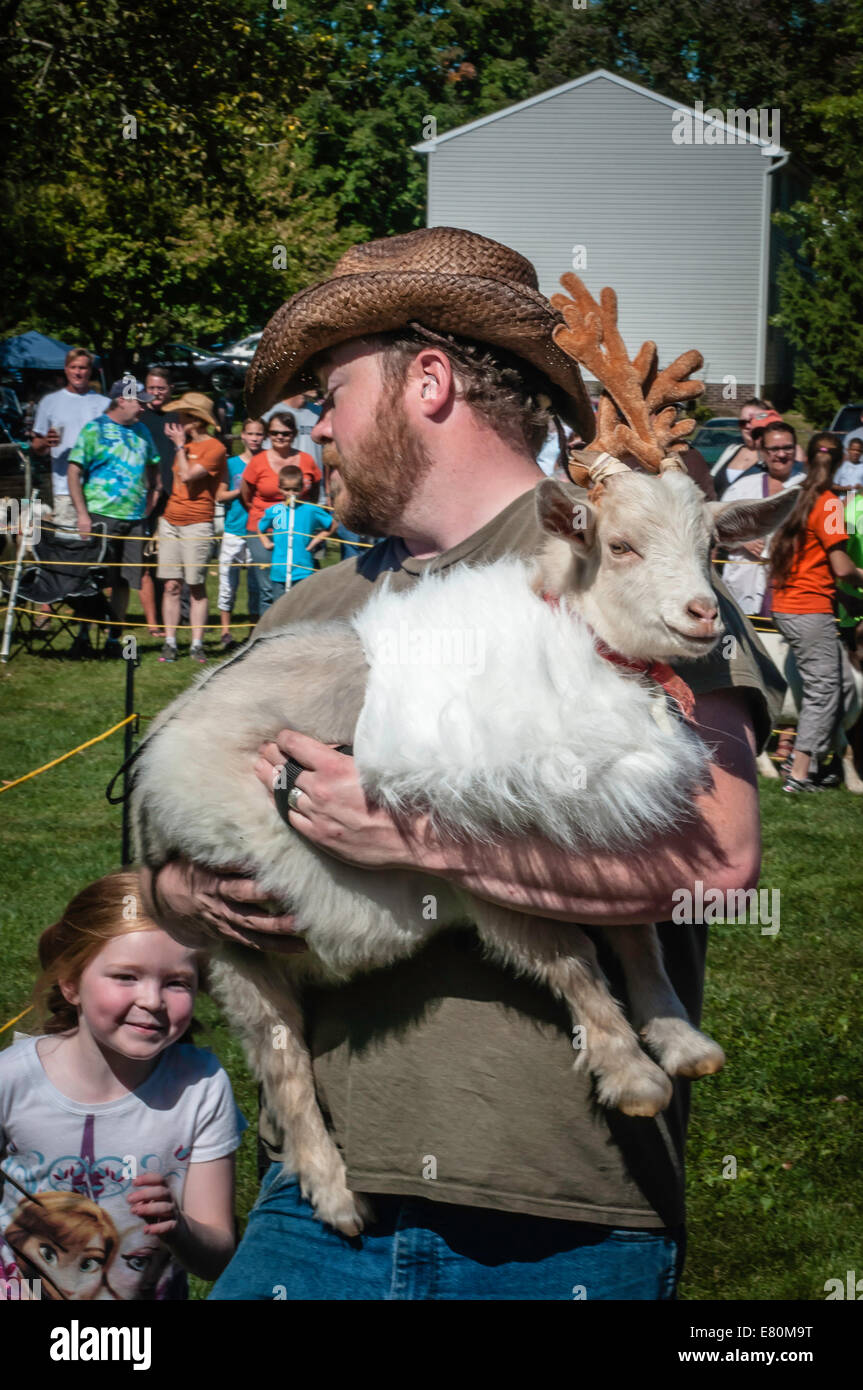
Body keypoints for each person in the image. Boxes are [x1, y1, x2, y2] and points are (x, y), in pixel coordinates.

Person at [142, 226, 781, 1303]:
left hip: (557, 1217)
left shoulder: (623, 556)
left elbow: (714, 866)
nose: (316, 427)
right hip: (312, 1206)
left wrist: (405, 835)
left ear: (426, 381)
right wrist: (195, 890)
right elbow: (160, 874)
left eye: (335, 391)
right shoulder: (315, 604)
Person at [0, 871, 244, 1300]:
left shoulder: (202, 1087)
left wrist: (180, 1228)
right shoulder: (12, 1080)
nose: (152, 1000)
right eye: (126, 977)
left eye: (176, 982)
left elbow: (218, 1256)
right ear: (71, 983)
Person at [770, 433, 863, 792]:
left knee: (840, 685)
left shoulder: (795, 497)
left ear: (806, 460)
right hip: (810, 609)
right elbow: (841, 567)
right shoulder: (828, 504)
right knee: (824, 689)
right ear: (841, 463)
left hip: (786, 605)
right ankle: (798, 773)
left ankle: (821, 761)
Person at [67, 378, 160, 658]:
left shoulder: (143, 431)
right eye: (139, 402)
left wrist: (152, 499)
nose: (144, 407)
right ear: (122, 400)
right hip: (99, 515)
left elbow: (155, 471)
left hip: (133, 519)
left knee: (124, 580)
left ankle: (113, 637)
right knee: (92, 579)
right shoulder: (95, 430)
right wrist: (82, 514)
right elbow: (74, 472)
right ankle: (84, 634)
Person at [156, 392, 228, 664]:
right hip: (171, 521)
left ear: (197, 420)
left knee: (195, 585)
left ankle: (197, 644)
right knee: (171, 585)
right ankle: (170, 642)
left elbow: (187, 476)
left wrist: (178, 447)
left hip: (198, 523)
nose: (178, 420)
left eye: (184, 416)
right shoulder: (183, 447)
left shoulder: (215, 448)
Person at [721, 422, 804, 615]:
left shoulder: (807, 488)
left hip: (793, 591)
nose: (781, 455)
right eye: (774, 449)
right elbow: (716, 532)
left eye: (787, 448)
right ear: (763, 452)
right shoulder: (742, 488)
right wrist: (743, 540)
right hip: (745, 586)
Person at [240, 412, 319, 612]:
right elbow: (246, 494)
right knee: (269, 586)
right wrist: (267, 515)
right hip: (264, 531)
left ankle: (296, 631)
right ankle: (267, 634)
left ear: (293, 434)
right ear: (268, 434)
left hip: (297, 531)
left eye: (285, 432)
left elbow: (314, 494)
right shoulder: (258, 461)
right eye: (274, 432)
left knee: (300, 585)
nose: (280, 437)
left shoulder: (306, 460)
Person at [31, 349, 110, 531]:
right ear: (66, 369)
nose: (78, 372)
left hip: (100, 490)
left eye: (82, 368)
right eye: (73, 367)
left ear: (90, 371)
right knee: (69, 548)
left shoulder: (104, 404)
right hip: (64, 490)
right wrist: (45, 442)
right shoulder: (50, 402)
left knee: (100, 549)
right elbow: (36, 446)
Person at [217, 418, 265, 647]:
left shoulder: (268, 461)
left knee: (256, 585)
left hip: (259, 530)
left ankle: (254, 631)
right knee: (228, 582)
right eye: (251, 434)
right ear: (242, 436)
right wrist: (242, 489)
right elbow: (220, 495)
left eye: (259, 434)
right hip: (235, 529)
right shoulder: (232, 464)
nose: (255, 438)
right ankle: (225, 631)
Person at [256, 464, 333, 606]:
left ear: (302, 489)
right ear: (279, 488)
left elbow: (331, 524)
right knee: (280, 608)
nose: (291, 493)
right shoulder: (275, 511)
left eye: (295, 489)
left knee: (302, 607)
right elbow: (260, 528)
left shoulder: (310, 509)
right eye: (286, 489)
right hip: (280, 570)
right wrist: (266, 542)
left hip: (303, 569)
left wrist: (315, 541)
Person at [138, 367, 176, 639]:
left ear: (169, 390)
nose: (157, 393)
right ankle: (153, 621)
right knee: (145, 559)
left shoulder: (176, 417)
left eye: (161, 388)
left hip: (173, 497)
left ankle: (171, 614)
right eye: (152, 388)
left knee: (169, 559)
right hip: (145, 496)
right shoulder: (139, 417)